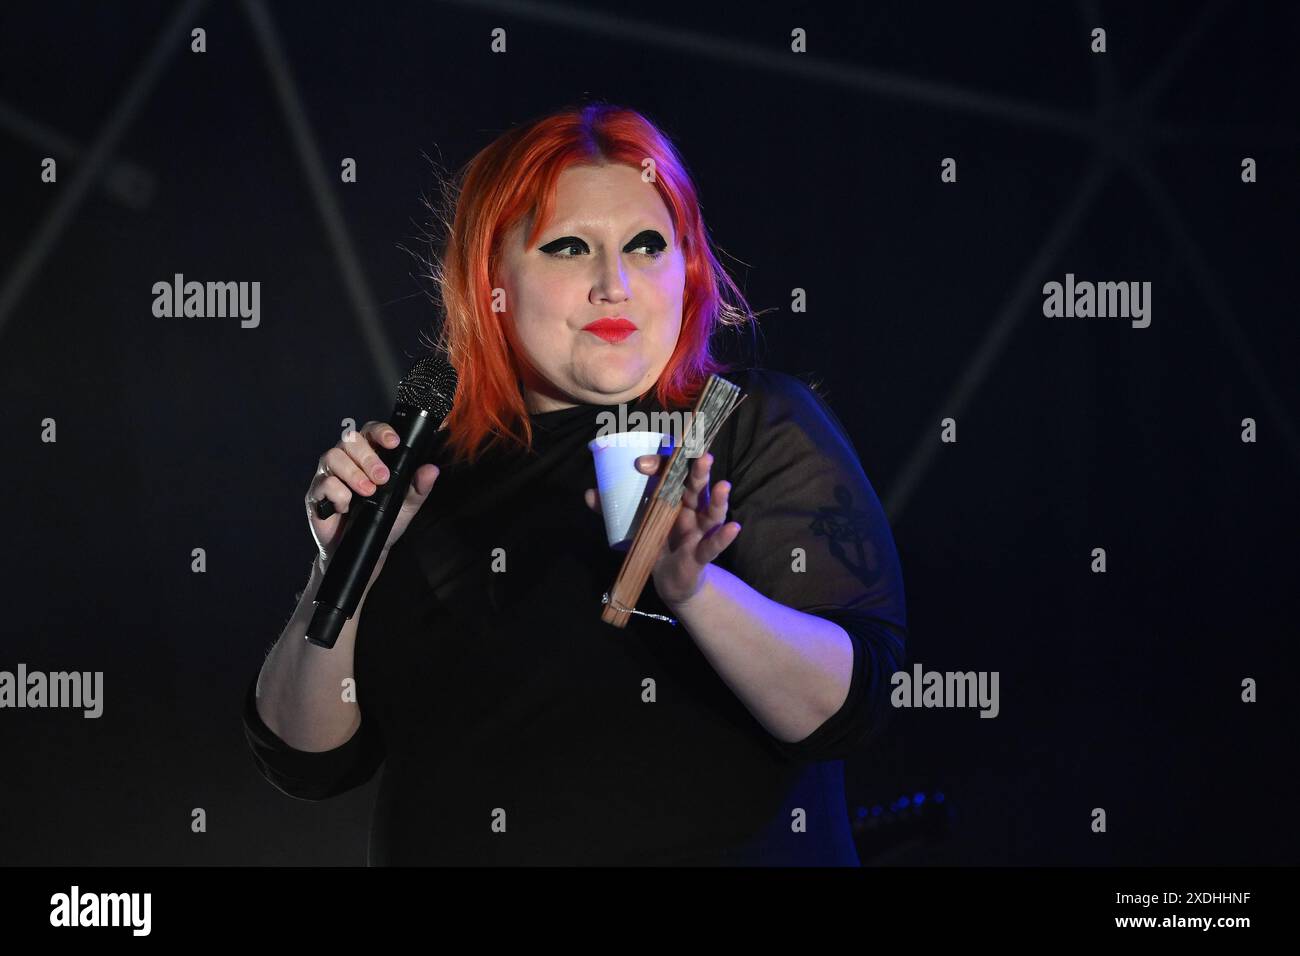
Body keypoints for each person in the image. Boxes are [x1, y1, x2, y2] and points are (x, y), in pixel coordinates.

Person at [242, 102, 908, 866]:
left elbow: (848, 708)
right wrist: (339, 572)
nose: (615, 284)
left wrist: (695, 594)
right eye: (568, 248)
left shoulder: (750, 425)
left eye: (647, 245)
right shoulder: (423, 477)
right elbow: (309, 762)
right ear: (491, 279)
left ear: (685, 269)